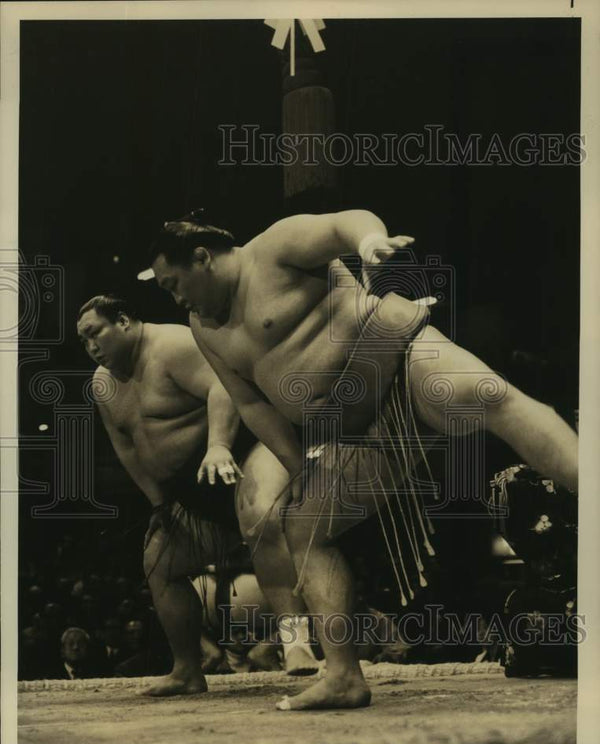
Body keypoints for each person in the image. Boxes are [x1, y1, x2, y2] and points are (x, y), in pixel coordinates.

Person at [144, 209, 578, 710]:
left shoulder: (274, 248)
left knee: (490, 396)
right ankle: (344, 676)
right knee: (305, 528)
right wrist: (297, 464)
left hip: (391, 358)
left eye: (174, 284)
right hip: (348, 429)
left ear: (202, 258)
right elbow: (250, 402)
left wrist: (370, 243)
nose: (176, 299)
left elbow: (344, 224)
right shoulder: (204, 328)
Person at [77, 295, 317, 693]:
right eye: (82, 341)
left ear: (123, 321)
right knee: (158, 562)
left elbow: (223, 390)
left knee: (259, 516)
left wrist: (219, 445)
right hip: (189, 492)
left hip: (242, 455)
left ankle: (296, 643)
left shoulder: (171, 345)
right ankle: (188, 668)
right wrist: (157, 501)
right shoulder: (102, 385)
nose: (90, 346)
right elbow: (127, 447)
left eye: (93, 333)